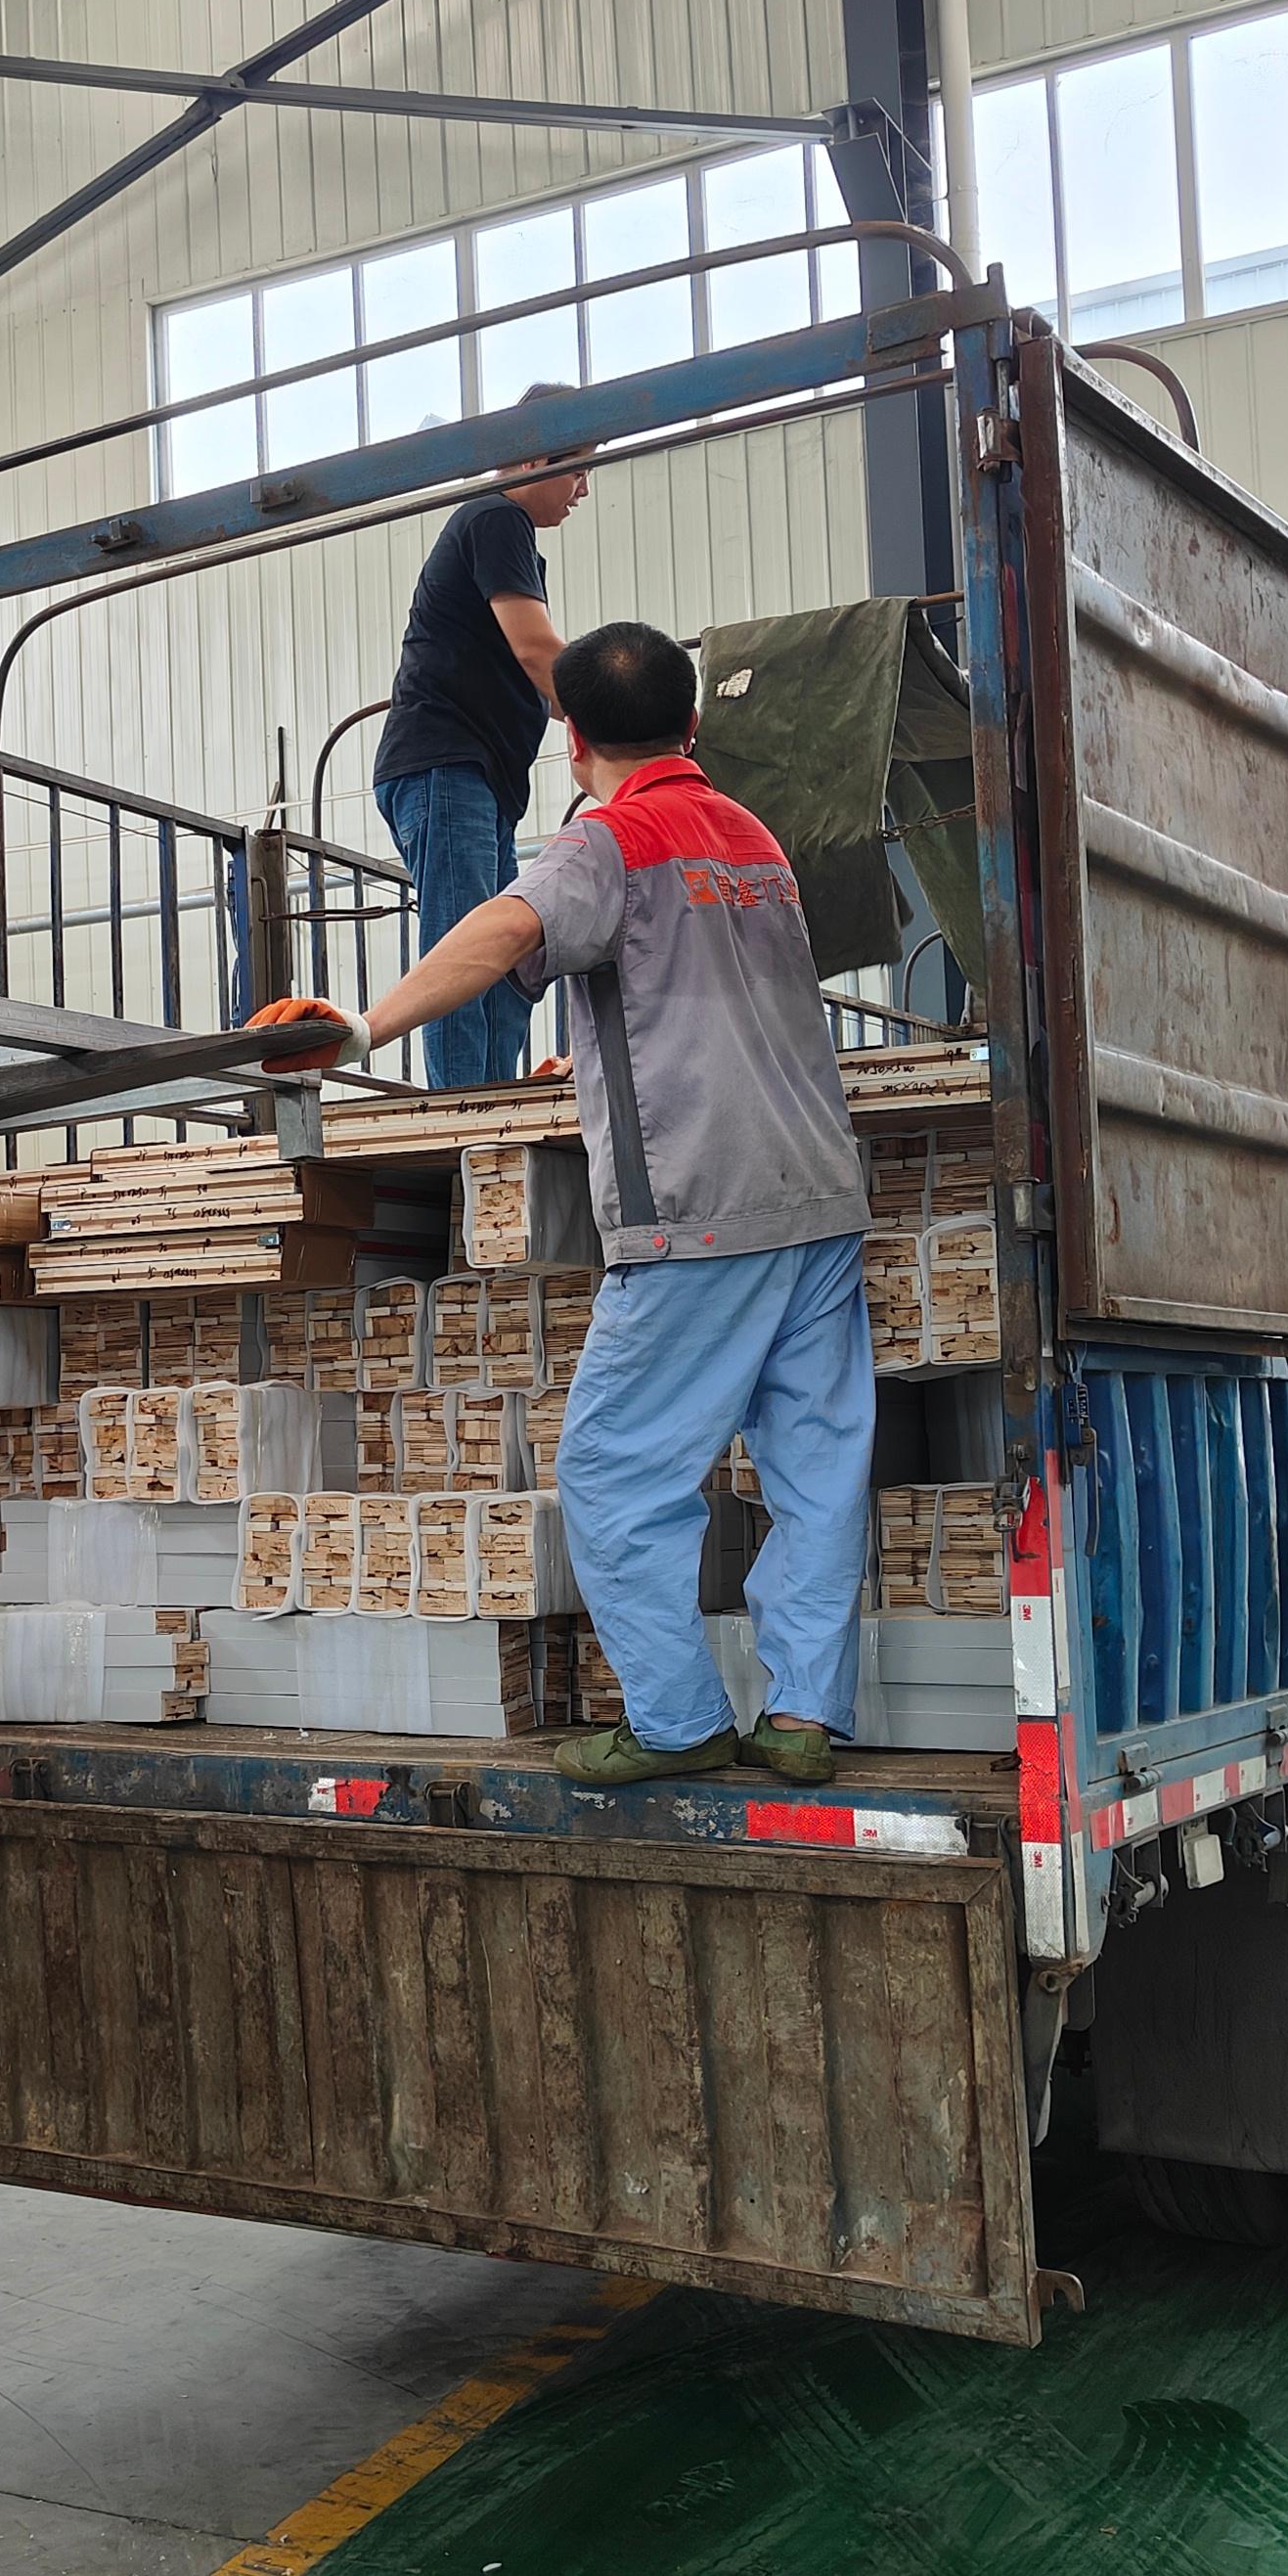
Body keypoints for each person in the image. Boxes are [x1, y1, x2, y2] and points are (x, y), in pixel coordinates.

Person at [253, 618, 872, 1789]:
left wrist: (360, 1030)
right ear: (693, 725)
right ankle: (802, 1714)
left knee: (612, 1472)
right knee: (816, 1471)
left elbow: (505, 928)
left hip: (699, 1207)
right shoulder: (755, 839)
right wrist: (594, 1062)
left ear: (570, 737)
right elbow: (706, 991)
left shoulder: (607, 839)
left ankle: (678, 1720)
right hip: (819, 1196)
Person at [370, 389, 592, 1089]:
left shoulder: (507, 538)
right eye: (577, 468)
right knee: (466, 948)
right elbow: (536, 652)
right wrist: (620, 718)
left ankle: (492, 1098)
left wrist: (596, 718)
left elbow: (538, 680)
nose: (584, 488)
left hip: (478, 775)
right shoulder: (495, 518)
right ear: (531, 457)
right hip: (447, 764)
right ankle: (465, 1113)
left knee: (504, 955)